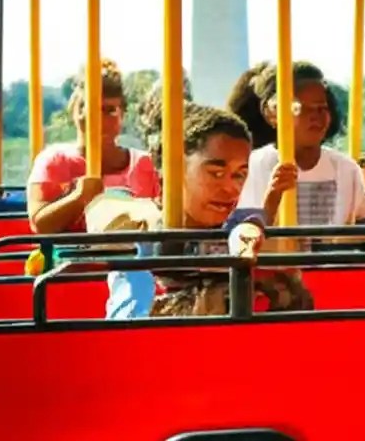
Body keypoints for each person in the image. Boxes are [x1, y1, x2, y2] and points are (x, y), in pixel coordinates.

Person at [103, 102, 312, 318]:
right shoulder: (138, 231)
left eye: (239, 175)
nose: (231, 188)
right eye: (216, 173)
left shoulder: (235, 228)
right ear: (174, 168)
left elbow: (254, 224)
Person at [27, 60, 160, 233]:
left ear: (123, 115)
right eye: (91, 109)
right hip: (71, 259)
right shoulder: (54, 161)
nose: (100, 120)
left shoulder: (144, 164)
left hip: (132, 257)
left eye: (110, 110)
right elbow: (39, 224)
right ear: (76, 112)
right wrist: (78, 198)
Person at [233, 62, 365, 227]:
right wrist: (272, 197)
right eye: (299, 108)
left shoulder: (346, 168)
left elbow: (364, 216)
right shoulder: (253, 166)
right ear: (272, 114)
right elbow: (244, 233)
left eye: (321, 108)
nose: (315, 116)